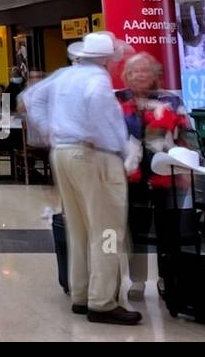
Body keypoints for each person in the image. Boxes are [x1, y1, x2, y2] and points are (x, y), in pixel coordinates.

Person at [21, 31, 141, 326]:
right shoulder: (98, 81)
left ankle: (81, 293)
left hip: (62, 153)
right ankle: (103, 301)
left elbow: (30, 97)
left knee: (78, 228)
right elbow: (106, 121)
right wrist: (123, 149)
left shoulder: (64, 75)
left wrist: (50, 130)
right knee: (109, 230)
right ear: (106, 60)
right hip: (95, 157)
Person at [119, 52, 193, 302]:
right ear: (126, 76)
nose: (139, 75)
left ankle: (167, 278)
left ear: (154, 74)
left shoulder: (171, 100)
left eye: (144, 70)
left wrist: (186, 169)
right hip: (130, 176)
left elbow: (186, 136)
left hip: (167, 174)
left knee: (168, 230)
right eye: (133, 71)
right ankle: (137, 281)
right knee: (136, 230)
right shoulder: (117, 100)